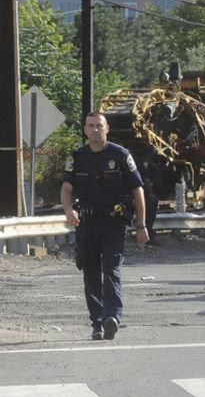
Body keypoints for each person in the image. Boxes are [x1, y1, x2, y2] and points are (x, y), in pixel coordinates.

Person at [60, 111, 149, 341]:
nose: (96, 130)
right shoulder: (78, 156)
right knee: (90, 272)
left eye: (99, 126)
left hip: (113, 223)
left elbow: (137, 190)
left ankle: (112, 317)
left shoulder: (120, 155)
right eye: (91, 126)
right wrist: (69, 210)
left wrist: (141, 225)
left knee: (111, 269)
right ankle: (97, 322)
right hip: (86, 224)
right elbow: (67, 188)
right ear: (85, 130)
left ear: (107, 128)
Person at [138, 147, 164, 246]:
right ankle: (148, 237)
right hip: (148, 193)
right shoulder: (146, 161)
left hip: (152, 191)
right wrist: (151, 192)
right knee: (149, 215)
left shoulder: (152, 160)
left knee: (151, 215)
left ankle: (149, 234)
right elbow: (146, 178)